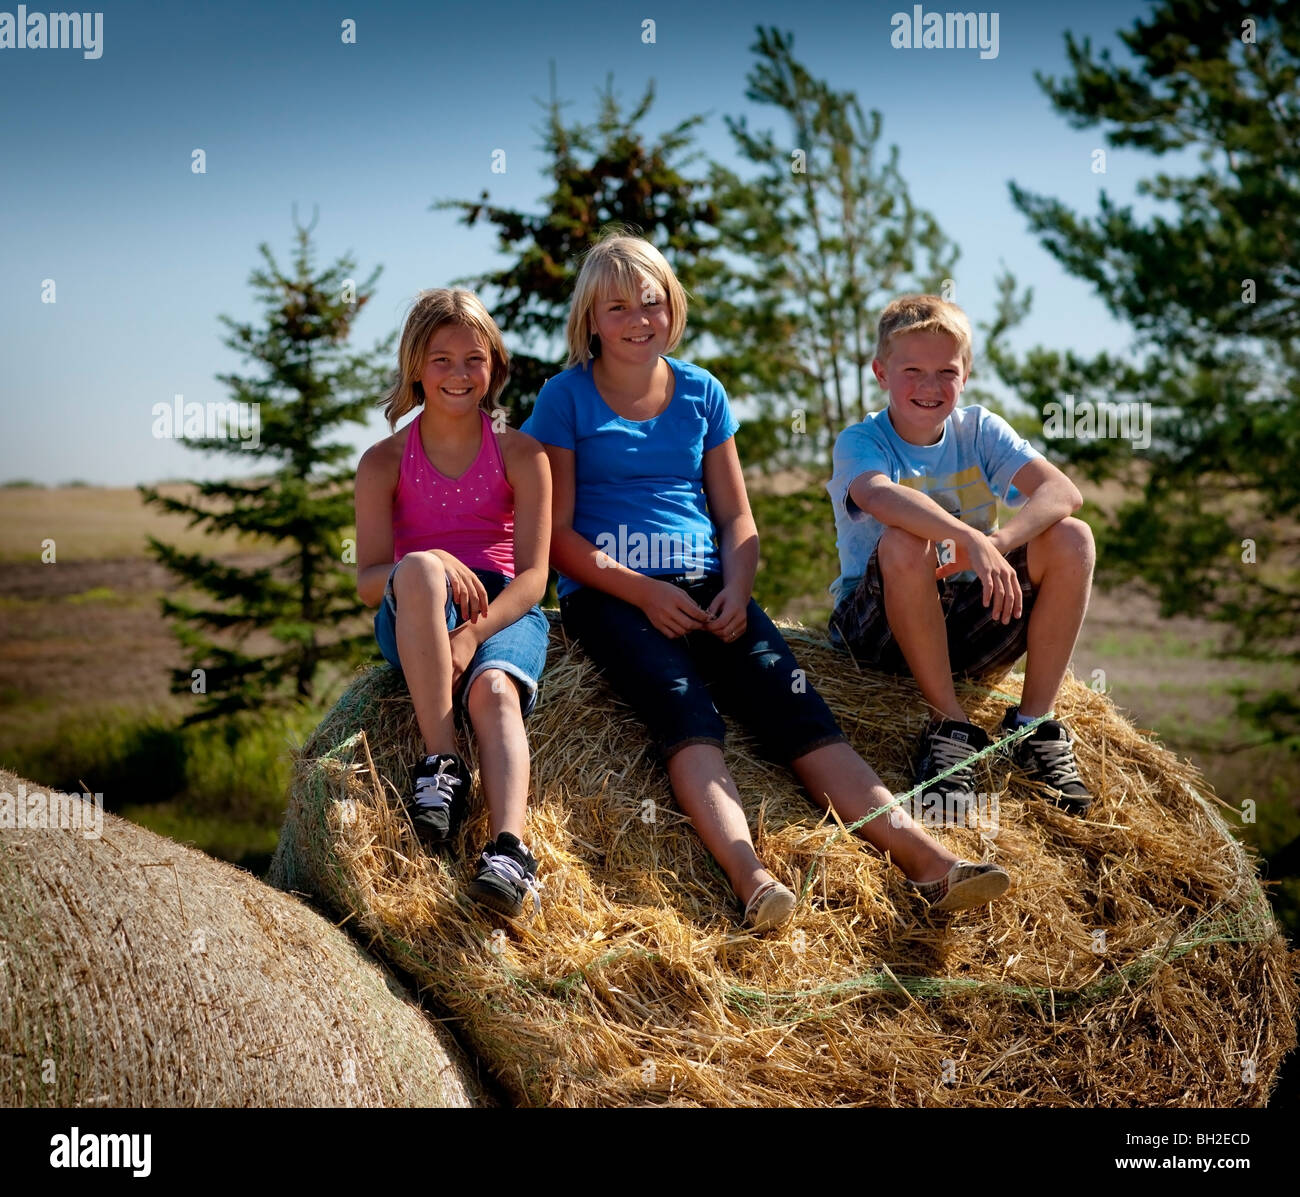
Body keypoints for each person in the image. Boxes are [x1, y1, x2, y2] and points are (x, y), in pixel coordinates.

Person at [522, 234, 1010, 932]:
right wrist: (644, 592)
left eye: (652, 301)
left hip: (712, 585)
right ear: (590, 319)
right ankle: (751, 877)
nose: (639, 318)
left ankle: (928, 859)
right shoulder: (565, 398)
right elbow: (557, 537)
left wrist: (738, 587)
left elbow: (736, 516)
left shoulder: (701, 392)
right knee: (688, 716)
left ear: (673, 307)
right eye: (618, 306)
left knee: (803, 713)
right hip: (614, 594)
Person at [826, 294, 1097, 818]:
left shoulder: (980, 430)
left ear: (966, 374)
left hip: (969, 625)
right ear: (881, 373)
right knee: (906, 539)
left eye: (946, 371)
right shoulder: (861, 439)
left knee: (1073, 538)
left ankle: (1031, 724)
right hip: (875, 635)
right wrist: (966, 537)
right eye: (912, 370)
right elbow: (879, 496)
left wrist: (997, 542)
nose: (929, 387)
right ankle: (949, 727)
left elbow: (1061, 491)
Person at [354, 288, 552, 917]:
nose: (459, 374)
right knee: (416, 568)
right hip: (416, 606)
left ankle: (510, 850)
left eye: (474, 359)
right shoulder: (383, 462)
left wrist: (472, 637)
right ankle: (441, 761)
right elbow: (367, 579)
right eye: (441, 360)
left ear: (493, 364)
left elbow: (534, 578)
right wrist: (435, 562)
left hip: (502, 608)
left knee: (495, 692)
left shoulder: (522, 454)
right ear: (416, 366)